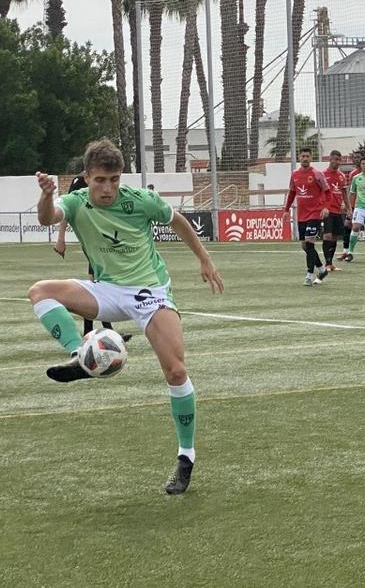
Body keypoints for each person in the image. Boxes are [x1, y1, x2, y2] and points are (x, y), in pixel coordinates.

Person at [28, 139, 224, 495]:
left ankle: (186, 457)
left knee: (177, 370)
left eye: (114, 179)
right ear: (87, 177)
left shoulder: (140, 201)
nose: (108, 188)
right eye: (101, 179)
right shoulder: (75, 201)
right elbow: (47, 217)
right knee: (40, 291)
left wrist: (205, 260)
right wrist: (45, 195)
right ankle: (79, 354)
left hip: (150, 292)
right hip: (106, 290)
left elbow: (178, 221)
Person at [54, 170, 131, 343]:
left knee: (100, 283)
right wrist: (61, 239)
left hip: (106, 238)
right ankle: (95, 332)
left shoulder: (107, 184)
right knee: (96, 283)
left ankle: (96, 331)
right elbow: (66, 209)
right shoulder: (79, 182)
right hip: (93, 239)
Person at [283, 147, 332, 286]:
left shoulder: (317, 174)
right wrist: (286, 210)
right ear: (299, 157)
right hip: (302, 215)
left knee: (310, 243)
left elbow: (328, 192)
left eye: (307, 156)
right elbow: (292, 193)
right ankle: (322, 269)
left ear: (311, 158)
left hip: (315, 213)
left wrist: (326, 207)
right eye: (303, 156)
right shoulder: (294, 174)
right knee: (305, 246)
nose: (305, 158)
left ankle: (309, 274)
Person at [319, 150, 351, 272]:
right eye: (335, 159)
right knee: (327, 235)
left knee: (334, 237)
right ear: (330, 159)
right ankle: (326, 264)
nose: (337, 162)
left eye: (339, 160)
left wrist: (348, 208)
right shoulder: (322, 175)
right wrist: (321, 206)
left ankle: (330, 264)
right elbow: (318, 192)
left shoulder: (342, 176)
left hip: (338, 210)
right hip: (326, 210)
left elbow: (344, 193)